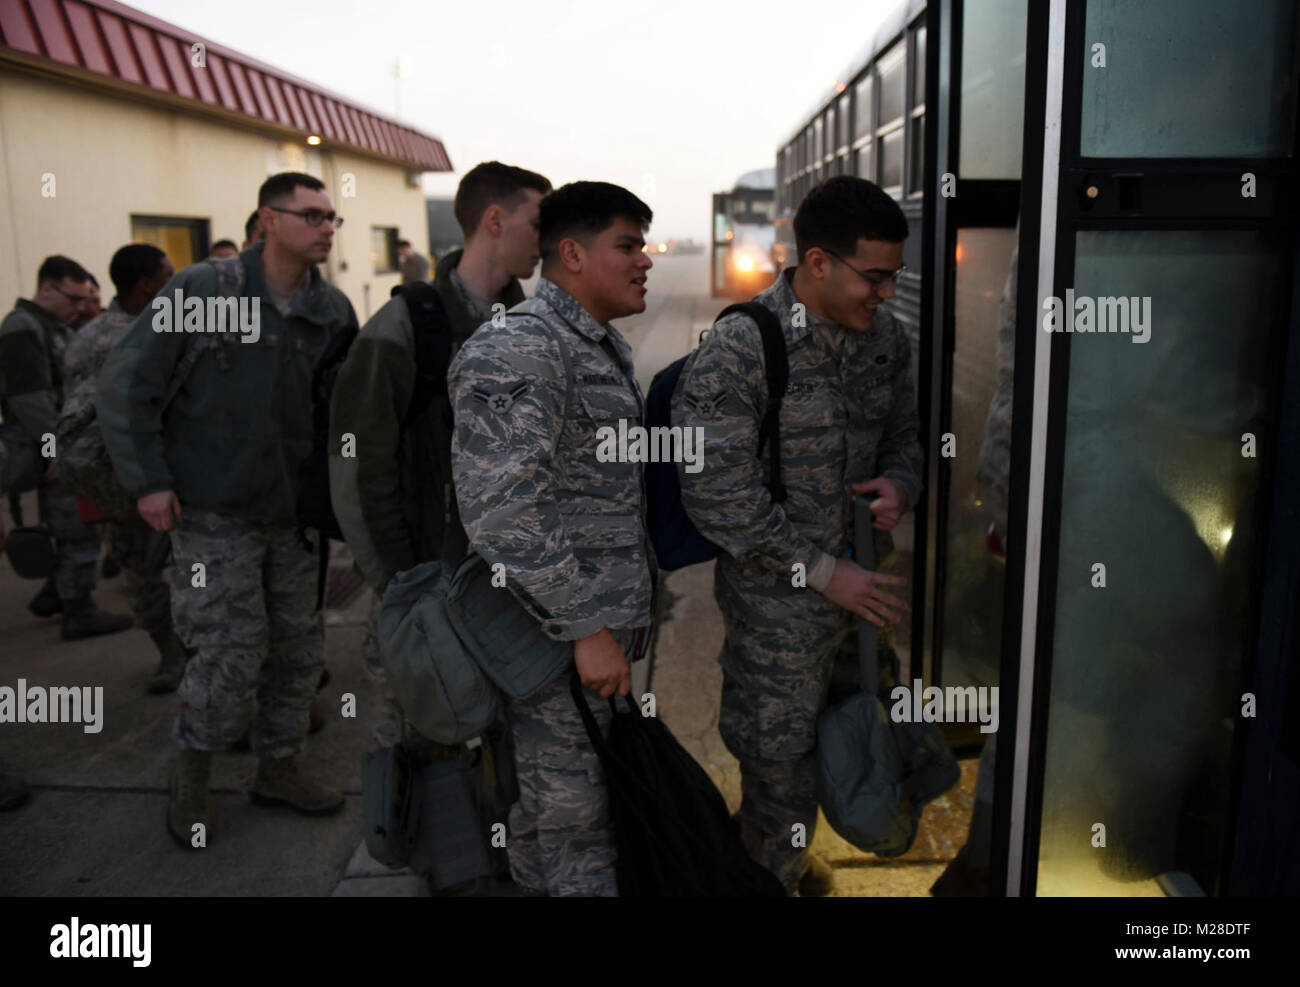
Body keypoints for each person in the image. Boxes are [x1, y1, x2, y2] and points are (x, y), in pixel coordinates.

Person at [673, 175, 924, 895]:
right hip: (778, 621)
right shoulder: (743, 347)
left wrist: (901, 484)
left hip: (863, 610)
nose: (885, 294)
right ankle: (768, 879)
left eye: (893, 279)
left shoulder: (888, 343)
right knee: (778, 776)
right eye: (874, 277)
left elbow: (906, 438)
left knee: (855, 743)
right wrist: (820, 570)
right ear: (817, 262)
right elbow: (717, 493)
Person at [96, 172, 359, 847]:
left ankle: (279, 766)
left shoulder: (330, 311)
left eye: (333, 217)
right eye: (311, 215)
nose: (327, 227)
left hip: (294, 519)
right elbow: (129, 385)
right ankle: (191, 775)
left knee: (300, 651)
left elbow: (339, 413)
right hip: (214, 513)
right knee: (231, 654)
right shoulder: (206, 292)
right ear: (267, 221)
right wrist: (148, 480)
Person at [448, 181, 655, 896]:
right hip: (558, 645)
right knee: (579, 827)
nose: (645, 261)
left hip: (592, 641)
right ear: (571, 253)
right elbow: (503, 512)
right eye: (627, 246)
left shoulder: (589, 343)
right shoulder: (523, 347)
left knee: (551, 819)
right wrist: (584, 625)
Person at [64, 243, 186, 693]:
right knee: (172, 570)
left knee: (142, 572)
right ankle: (183, 656)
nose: (176, 282)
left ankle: (172, 656)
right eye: (169, 275)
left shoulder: (85, 337)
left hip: (115, 482)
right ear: (146, 285)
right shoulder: (143, 337)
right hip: (150, 476)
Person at [0, 255, 133, 639]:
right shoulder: (23, 327)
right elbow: (30, 401)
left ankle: (55, 593)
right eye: (74, 299)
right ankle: (79, 610)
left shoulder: (50, 326)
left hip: (54, 441)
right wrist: (55, 450)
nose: (81, 308)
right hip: (47, 444)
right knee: (76, 527)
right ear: (47, 288)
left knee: (68, 523)